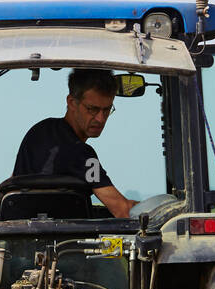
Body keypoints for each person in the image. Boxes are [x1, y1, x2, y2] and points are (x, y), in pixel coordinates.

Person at [12, 69, 135, 218]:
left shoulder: (38, 132)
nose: (101, 119)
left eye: (107, 110)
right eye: (92, 109)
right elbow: (122, 210)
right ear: (71, 102)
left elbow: (14, 182)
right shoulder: (84, 155)